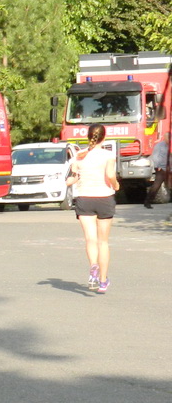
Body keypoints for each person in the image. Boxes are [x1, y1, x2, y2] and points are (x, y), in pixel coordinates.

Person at [68, 124, 120, 293]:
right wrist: (116, 184)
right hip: (104, 198)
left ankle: (93, 267)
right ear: (103, 138)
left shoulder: (80, 155)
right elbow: (111, 175)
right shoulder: (107, 155)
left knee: (90, 239)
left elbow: (73, 178)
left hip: (84, 199)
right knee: (103, 241)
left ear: (88, 136)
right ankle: (103, 281)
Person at [143, 135, 169, 208]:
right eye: (168, 138)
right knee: (156, 185)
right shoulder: (159, 146)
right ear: (165, 138)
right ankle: (147, 202)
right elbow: (155, 157)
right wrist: (158, 166)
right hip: (161, 168)